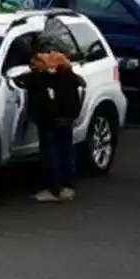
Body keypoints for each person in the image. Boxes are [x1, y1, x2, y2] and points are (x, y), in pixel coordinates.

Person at [16, 50, 86, 203]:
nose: (33, 66)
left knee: (50, 152)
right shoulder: (70, 77)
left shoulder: (42, 79)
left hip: (49, 120)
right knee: (66, 149)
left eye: (36, 63)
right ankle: (67, 187)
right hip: (66, 119)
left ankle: (53, 188)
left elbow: (23, 82)